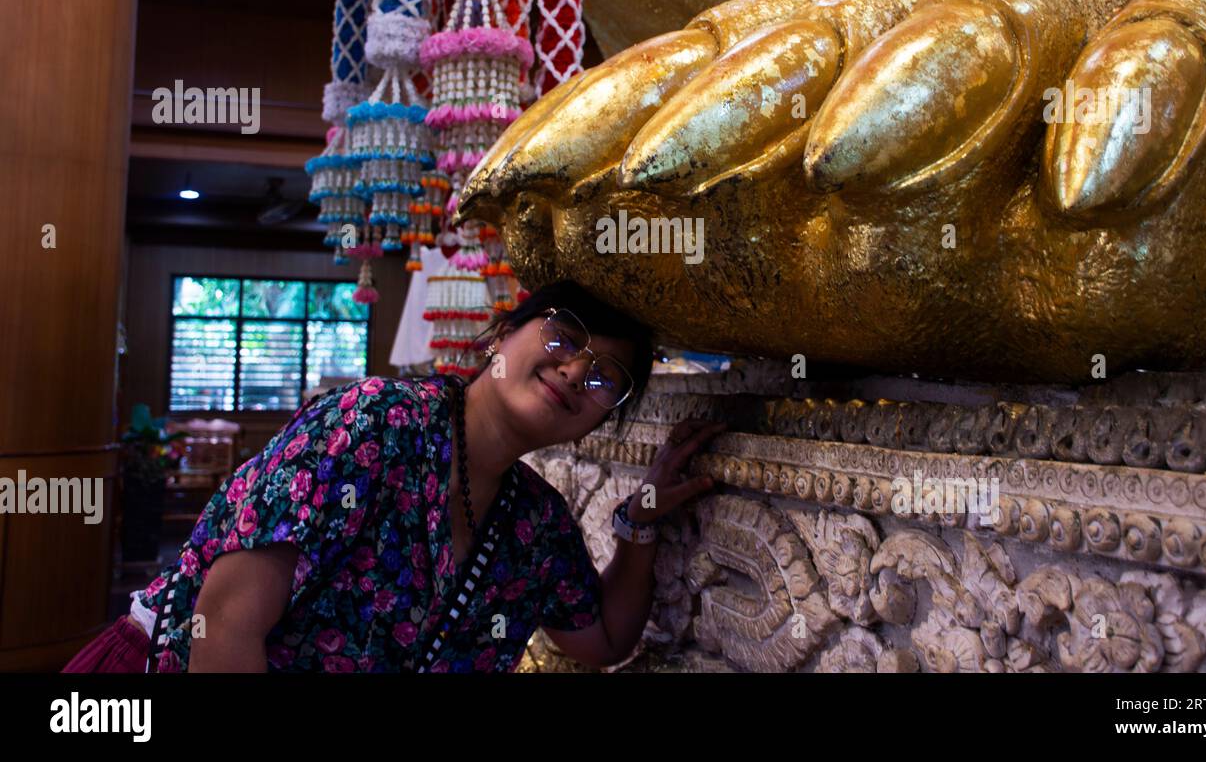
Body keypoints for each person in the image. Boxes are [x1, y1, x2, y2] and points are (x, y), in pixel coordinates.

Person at [63, 279, 723, 672]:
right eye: (564, 338)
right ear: (501, 335)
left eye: (606, 376)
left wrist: (638, 525)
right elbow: (227, 623)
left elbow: (601, 639)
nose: (578, 371)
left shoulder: (534, 524)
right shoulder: (376, 423)